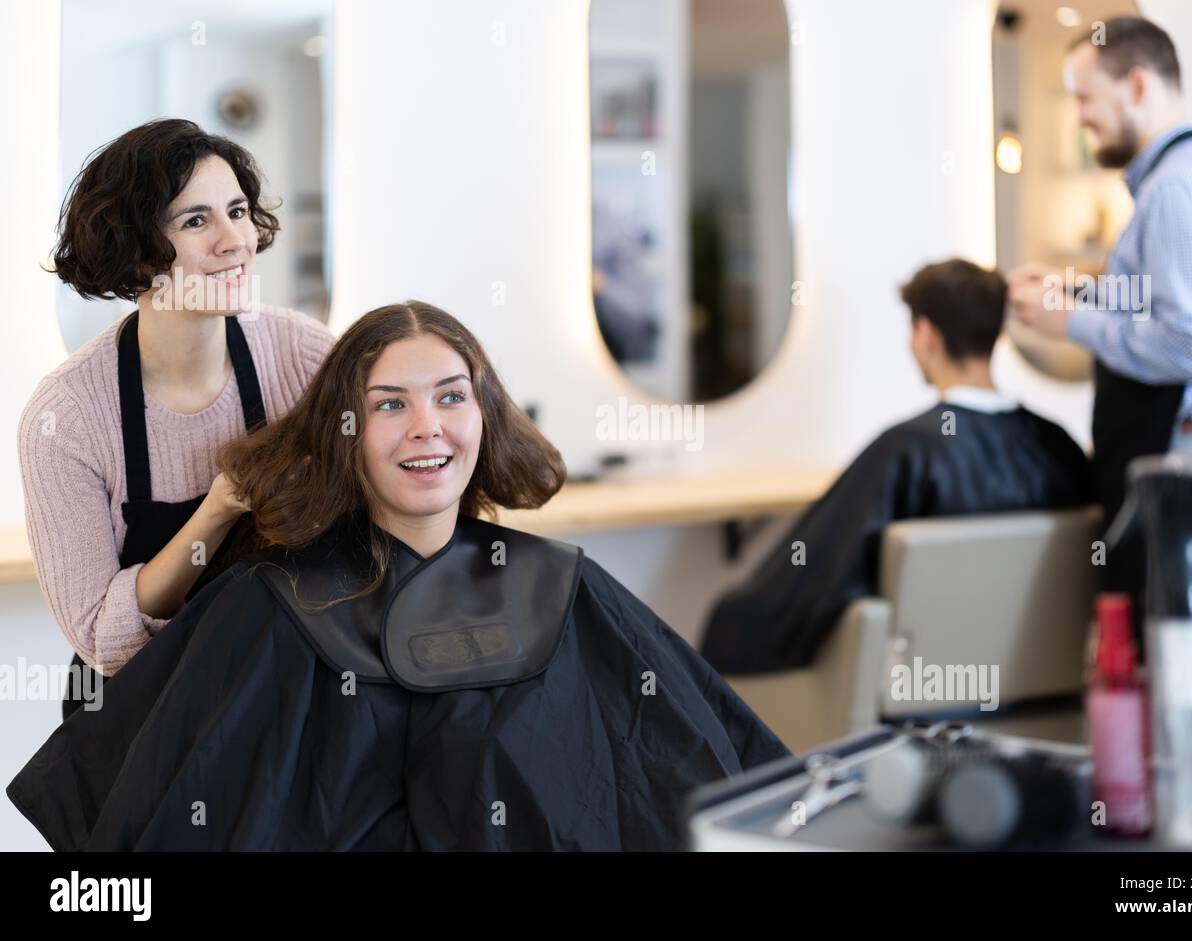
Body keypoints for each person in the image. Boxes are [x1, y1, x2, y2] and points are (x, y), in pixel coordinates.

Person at [7, 301, 790, 851]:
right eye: (390, 405)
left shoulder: (561, 587)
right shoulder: (269, 606)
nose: (428, 426)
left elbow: (712, 777)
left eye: (452, 396)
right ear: (342, 434)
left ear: (485, 417)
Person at [1007, 17, 1192, 771]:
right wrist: (1076, 292)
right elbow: (1172, 310)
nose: (1080, 118)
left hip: (1189, 456)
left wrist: (1072, 320)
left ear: (1138, 85)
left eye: (1085, 97)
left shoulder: (1176, 195)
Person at [20, 119, 335, 718]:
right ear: (135, 255)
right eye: (196, 221)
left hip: (281, 700)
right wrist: (218, 511)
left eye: (237, 211)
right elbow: (101, 641)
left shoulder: (300, 353)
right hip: (141, 725)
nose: (233, 240)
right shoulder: (67, 418)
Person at [700, 259, 1094, 675]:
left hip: (923, 685)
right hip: (1042, 680)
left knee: (731, 618)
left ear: (926, 335)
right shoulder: (1058, 445)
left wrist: (727, 625)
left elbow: (820, 579)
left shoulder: (908, 450)